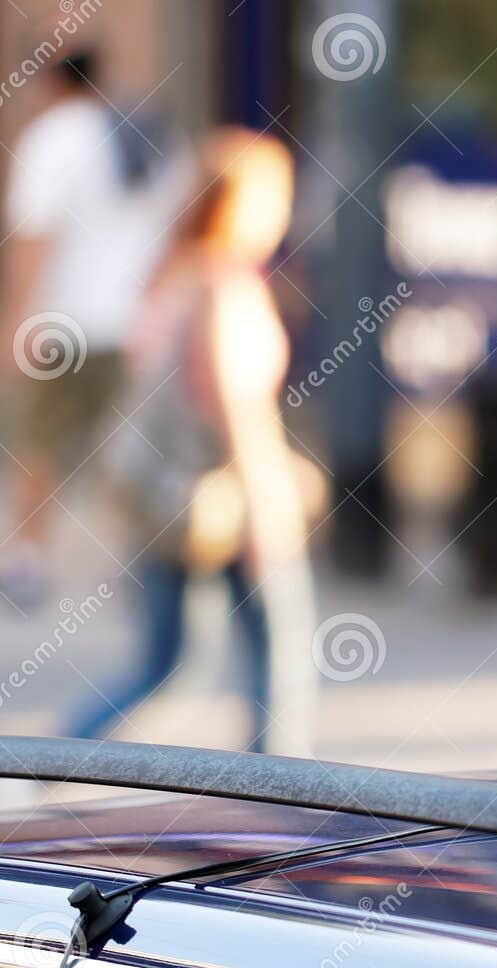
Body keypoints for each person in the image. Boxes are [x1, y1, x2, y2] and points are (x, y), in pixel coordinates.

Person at [62, 128, 315, 757]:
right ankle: (281, 804)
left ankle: (50, 762)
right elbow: (236, 408)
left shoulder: (174, 277)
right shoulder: (224, 289)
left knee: (166, 666)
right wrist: (269, 508)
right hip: (223, 499)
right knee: (279, 660)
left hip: (167, 503)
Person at [1, 49, 187, 606]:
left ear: (51, 84)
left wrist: (20, 317)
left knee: (43, 443)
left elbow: (33, 235)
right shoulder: (147, 135)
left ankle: (30, 558)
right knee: (129, 446)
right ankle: (146, 559)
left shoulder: (52, 137)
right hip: (135, 324)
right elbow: (179, 224)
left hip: (67, 322)